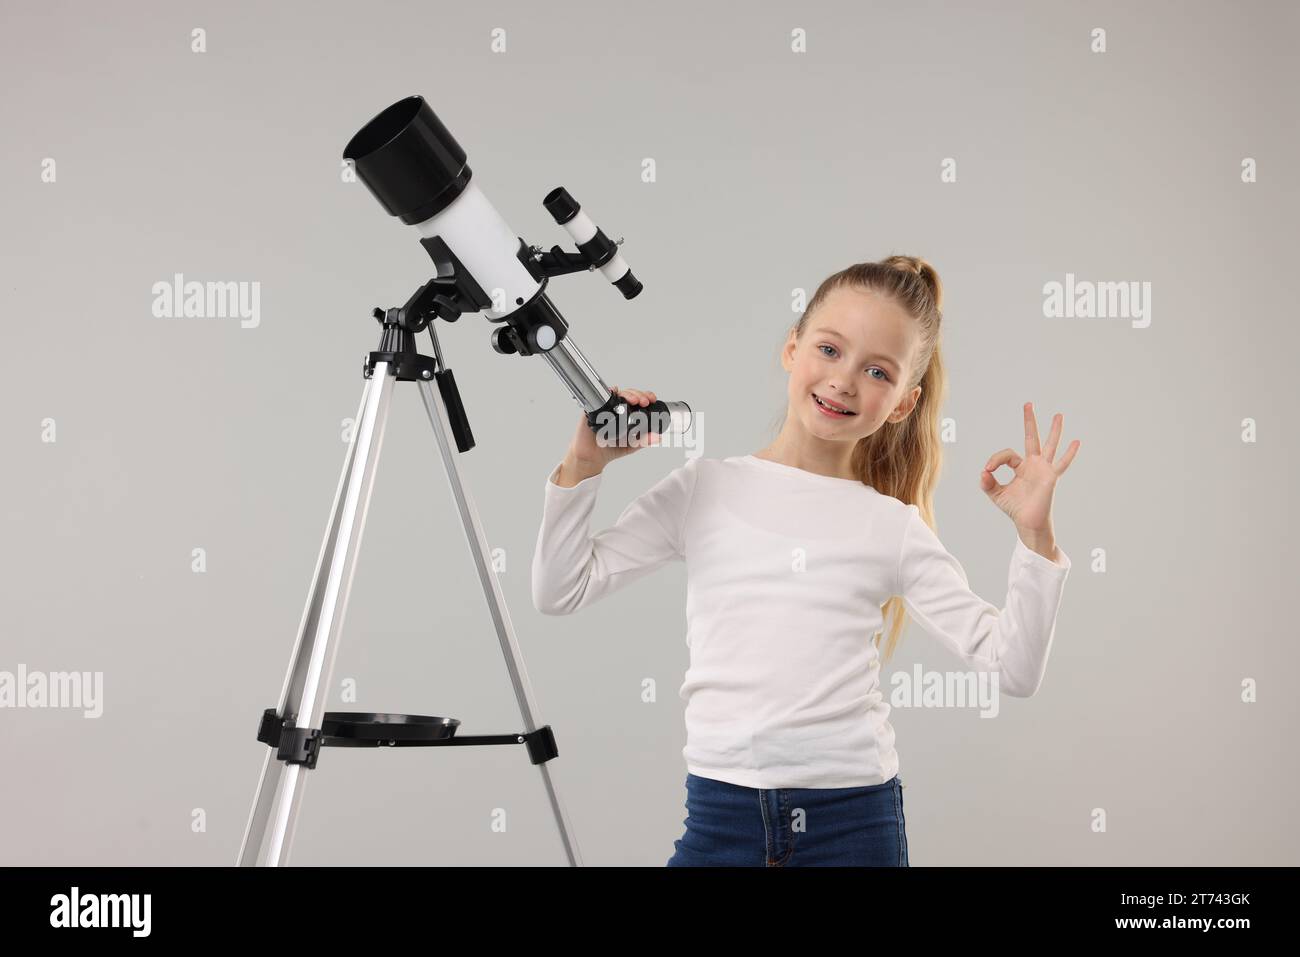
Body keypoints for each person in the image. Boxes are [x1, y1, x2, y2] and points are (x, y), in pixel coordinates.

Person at [530, 255, 1080, 866]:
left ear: (903, 403)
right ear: (792, 349)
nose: (844, 380)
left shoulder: (892, 527)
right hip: (720, 818)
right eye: (829, 349)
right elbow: (561, 590)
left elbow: (1014, 669)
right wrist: (583, 468)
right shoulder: (703, 490)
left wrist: (1036, 539)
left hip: (853, 827)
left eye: (877, 370)